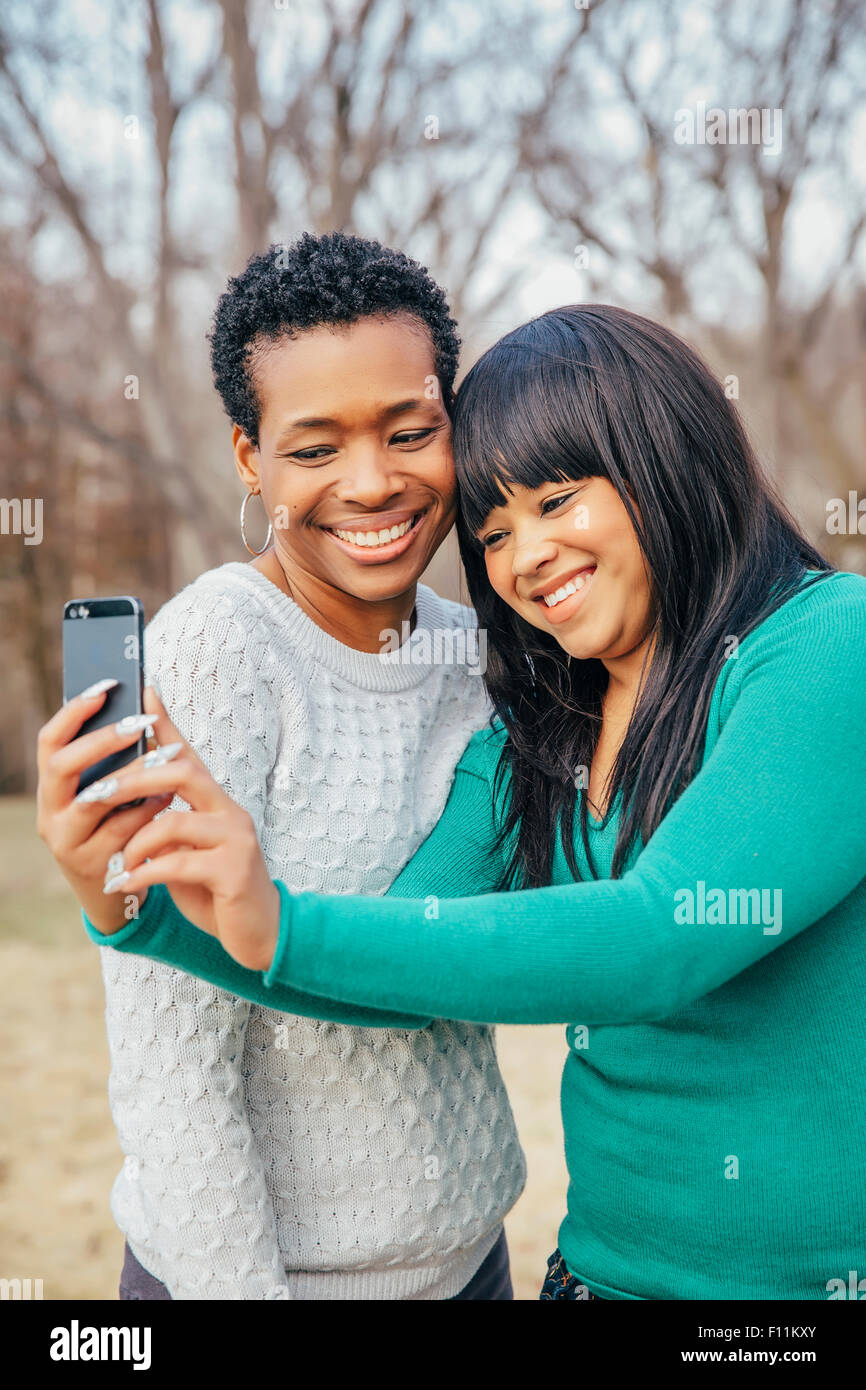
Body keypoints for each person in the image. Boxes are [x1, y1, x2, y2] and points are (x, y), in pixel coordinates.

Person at [66, 304, 866, 1301]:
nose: (524, 554)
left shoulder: (829, 645)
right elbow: (394, 963)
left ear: (668, 457)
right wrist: (140, 918)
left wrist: (272, 920)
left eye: (557, 500)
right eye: (491, 530)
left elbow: (658, 938)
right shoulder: (542, 721)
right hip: (591, 1281)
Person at [36, 232, 526, 1300]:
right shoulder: (216, 650)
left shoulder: (478, 655)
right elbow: (172, 1065)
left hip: (467, 1265)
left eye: (409, 431)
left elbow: (460, 958)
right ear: (250, 458)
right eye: (312, 450)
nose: (371, 482)